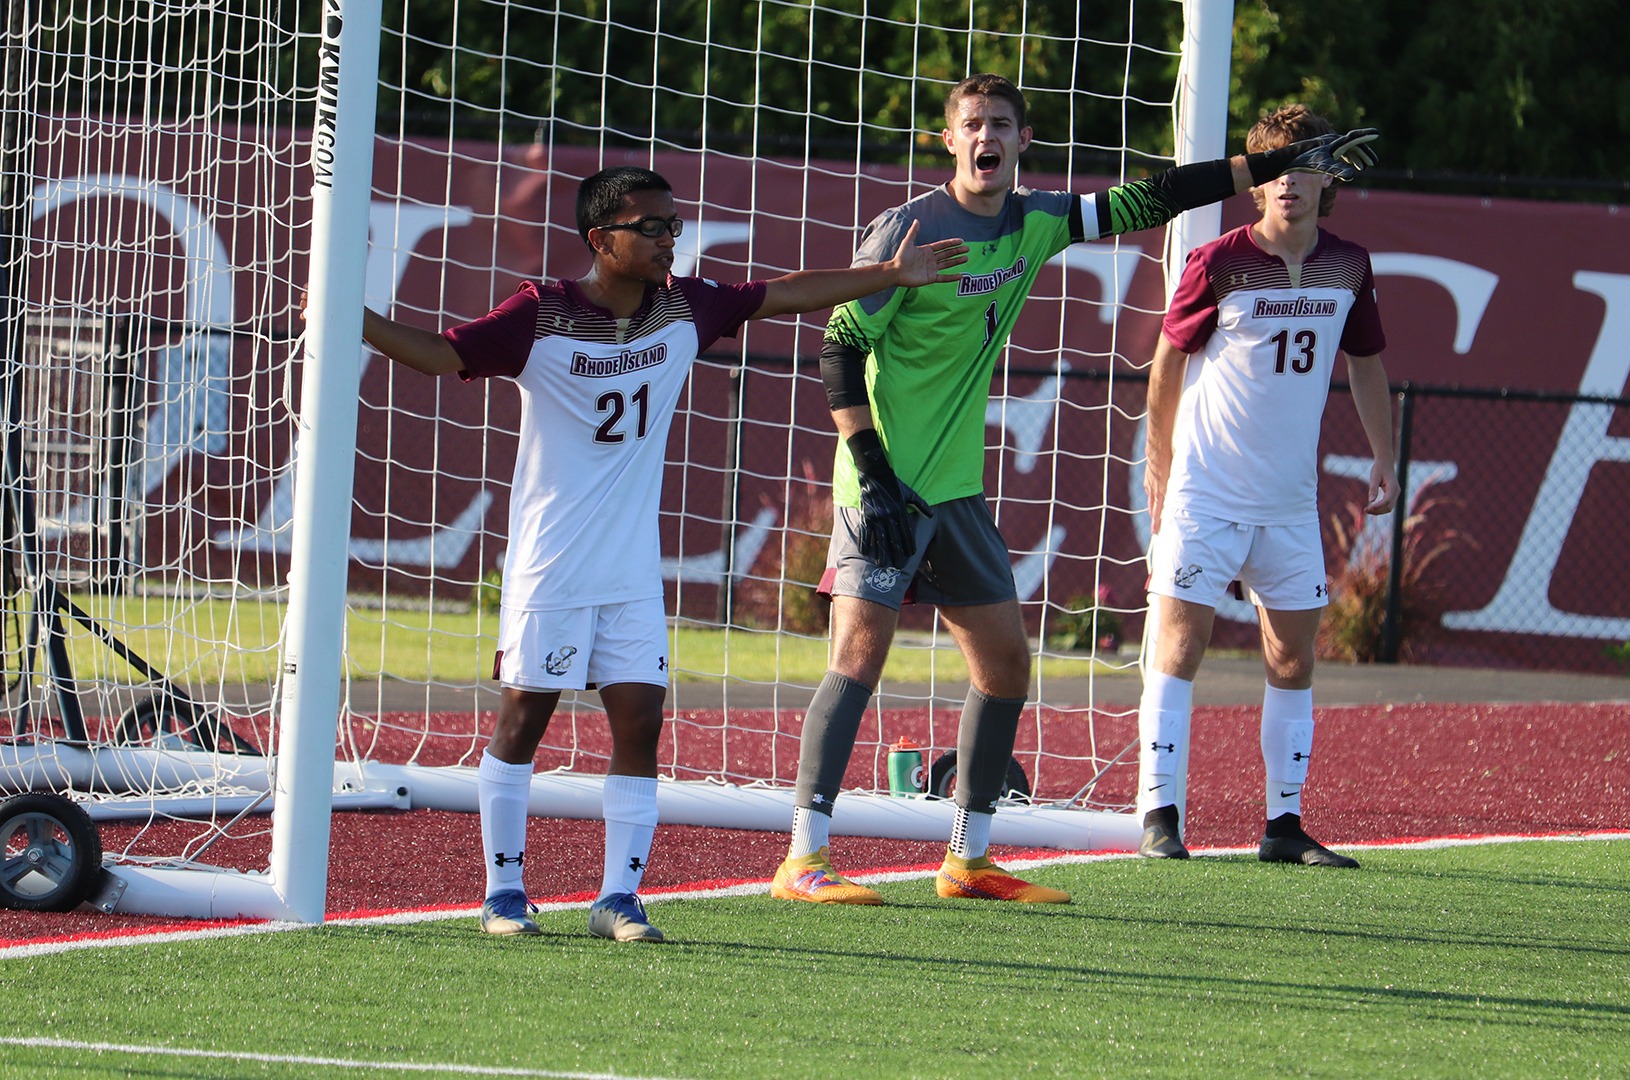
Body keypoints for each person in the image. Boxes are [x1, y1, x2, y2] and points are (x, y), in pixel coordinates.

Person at [769, 74, 1380, 906]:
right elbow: (839, 349)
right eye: (972, 124)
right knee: (858, 657)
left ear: (1023, 142)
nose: (987, 137)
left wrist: (1265, 163)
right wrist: (869, 469)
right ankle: (804, 857)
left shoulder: (1038, 220)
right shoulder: (911, 228)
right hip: (877, 484)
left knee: (1006, 666)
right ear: (949, 141)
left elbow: (1152, 198)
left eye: (1002, 125)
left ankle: (968, 858)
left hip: (954, 489)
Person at [359, 165, 964, 941]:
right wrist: (352, 313)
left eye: (672, 224)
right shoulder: (539, 312)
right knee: (524, 719)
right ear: (600, 239)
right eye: (649, 227)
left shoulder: (688, 305)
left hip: (632, 569)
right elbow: (439, 355)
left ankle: (619, 898)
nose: (667, 238)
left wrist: (885, 274)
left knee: (641, 718)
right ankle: (503, 893)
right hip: (550, 561)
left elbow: (785, 291)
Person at [1130, 104, 1396, 865]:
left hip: (1288, 505)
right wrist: (1160, 465)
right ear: (1257, 183)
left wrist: (1385, 453)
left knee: (1294, 661)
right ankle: (1161, 814)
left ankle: (1282, 826)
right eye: (1275, 167)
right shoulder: (1217, 260)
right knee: (1180, 646)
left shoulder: (1351, 265)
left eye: (1305, 164)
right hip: (1207, 495)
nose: (1289, 182)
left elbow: (1368, 362)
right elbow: (1168, 364)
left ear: (1328, 178)